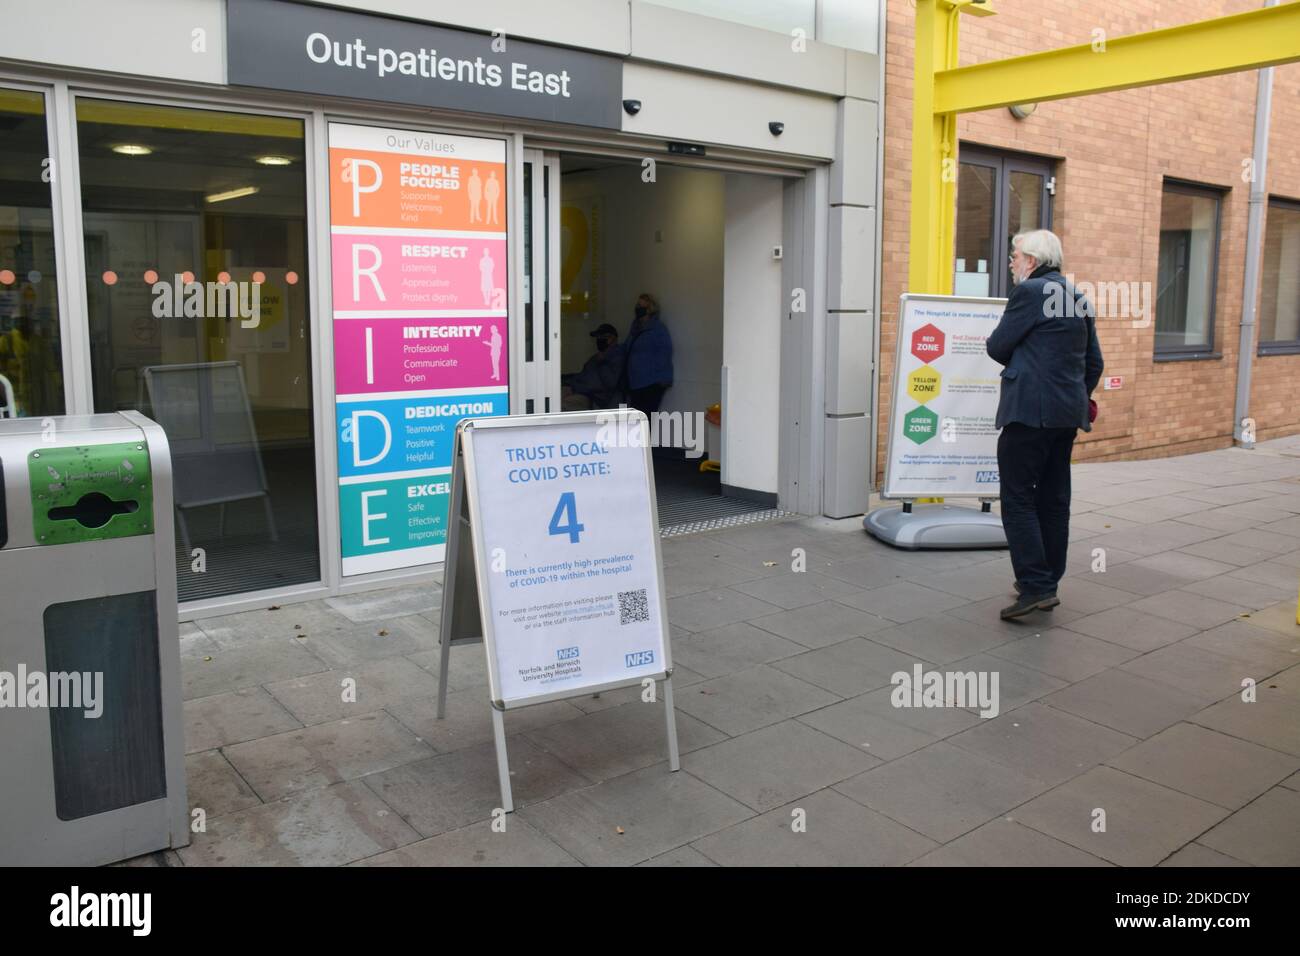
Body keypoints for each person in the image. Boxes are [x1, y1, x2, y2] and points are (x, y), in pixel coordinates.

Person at [986, 229, 1103, 621]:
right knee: (1054, 499)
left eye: (1015, 256)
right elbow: (1095, 363)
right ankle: (1048, 581)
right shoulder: (1077, 297)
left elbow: (997, 346)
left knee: (1017, 498)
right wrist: (1073, 394)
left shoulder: (1030, 292)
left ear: (1032, 261)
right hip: (1066, 416)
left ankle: (1035, 585)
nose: (1011, 263)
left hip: (1028, 415)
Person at [619, 293, 672, 416]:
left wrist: (662, 379)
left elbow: (665, 353)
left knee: (644, 419)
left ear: (650, 309)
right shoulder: (635, 329)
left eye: (641, 305)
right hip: (635, 383)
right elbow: (627, 348)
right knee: (637, 420)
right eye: (637, 305)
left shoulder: (657, 329)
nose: (638, 308)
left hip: (650, 383)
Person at [562, 323, 623, 409]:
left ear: (612, 338)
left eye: (603, 337)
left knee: (559, 405)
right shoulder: (596, 357)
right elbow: (583, 375)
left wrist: (602, 362)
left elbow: (607, 383)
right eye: (598, 337)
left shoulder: (617, 357)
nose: (599, 340)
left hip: (593, 398)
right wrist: (568, 383)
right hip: (578, 390)